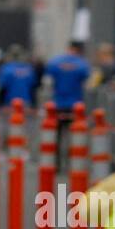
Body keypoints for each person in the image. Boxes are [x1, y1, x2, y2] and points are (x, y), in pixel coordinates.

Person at [44, 41, 91, 172]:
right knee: (75, 136)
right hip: (76, 106)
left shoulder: (55, 62)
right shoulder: (82, 64)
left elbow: (48, 80)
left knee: (56, 137)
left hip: (58, 104)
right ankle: (74, 164)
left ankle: (57, 164)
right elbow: (87, 80)